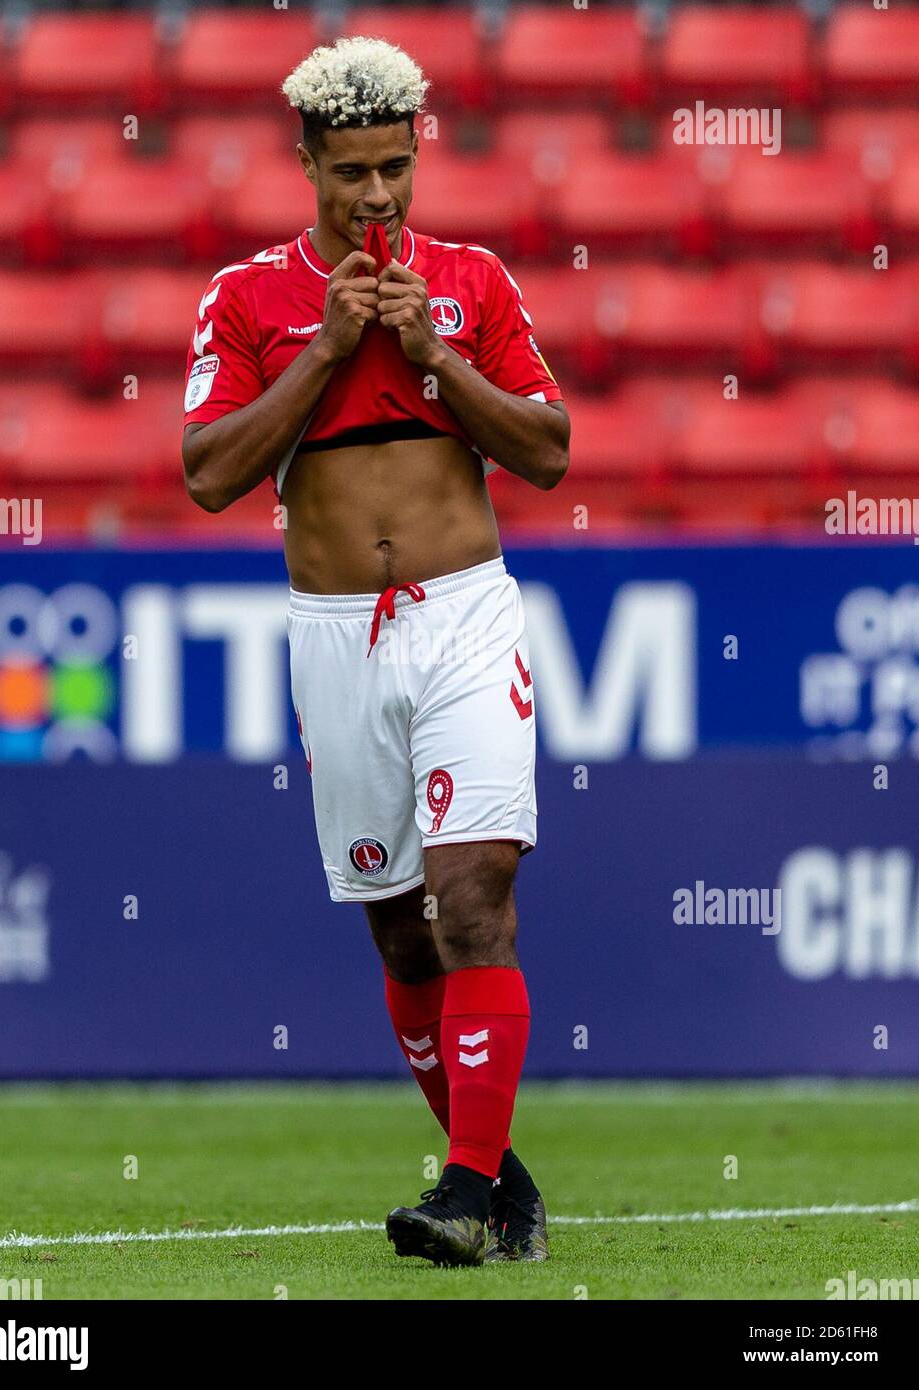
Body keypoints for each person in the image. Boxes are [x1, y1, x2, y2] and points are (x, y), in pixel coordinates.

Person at [182, 36, 570, 1268]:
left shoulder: (471, 282)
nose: (377, 198)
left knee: (474, 898)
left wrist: (434, 358)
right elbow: (209, 475)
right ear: (304, 163)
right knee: (399, 927)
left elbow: (549, 451)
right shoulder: (248, 298)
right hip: (336, 637)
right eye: (349, 171)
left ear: (420, 155)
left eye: (394, 168)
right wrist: (328, 348)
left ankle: (458, 1190)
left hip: (463, 615)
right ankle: (496, 1178)